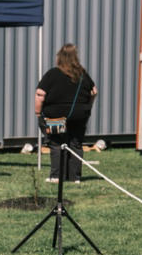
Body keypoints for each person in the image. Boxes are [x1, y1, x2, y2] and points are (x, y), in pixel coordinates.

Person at [35, 44, 98, 184]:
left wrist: (38, 113)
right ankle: (75, 177)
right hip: (79, 116)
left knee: (57, 144)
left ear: (59, 58)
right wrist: (88, 107)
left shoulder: (53, 74)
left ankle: (56, 176)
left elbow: (40, 94)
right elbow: (94, 91)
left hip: (56, 115)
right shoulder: (82, 74)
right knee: (76, 144)